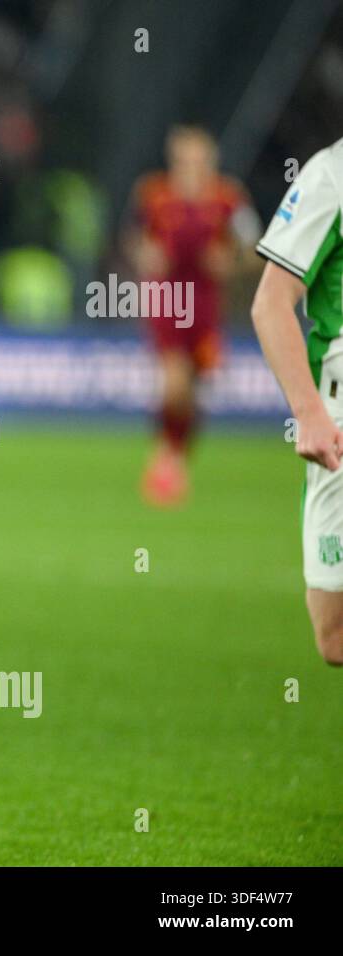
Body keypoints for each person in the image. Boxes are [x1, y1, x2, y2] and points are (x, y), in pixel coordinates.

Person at [126, 126, 260, 506]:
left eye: (199, 158)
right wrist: (146, 256)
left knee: (194, 391)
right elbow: (136, 239)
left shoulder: (228, 198)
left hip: (205, 303)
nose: (191, 165)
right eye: (184, 158)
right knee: (174, 383)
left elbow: (252, 248)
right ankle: (166, 460)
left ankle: (173, 458)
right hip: (167, 298)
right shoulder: (153, 193)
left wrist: (229, 262)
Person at [251, 136, 343, 666]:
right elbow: (270, 304)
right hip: (337, 416)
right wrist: (309, 413)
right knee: (334, 637)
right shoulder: (331, 175)